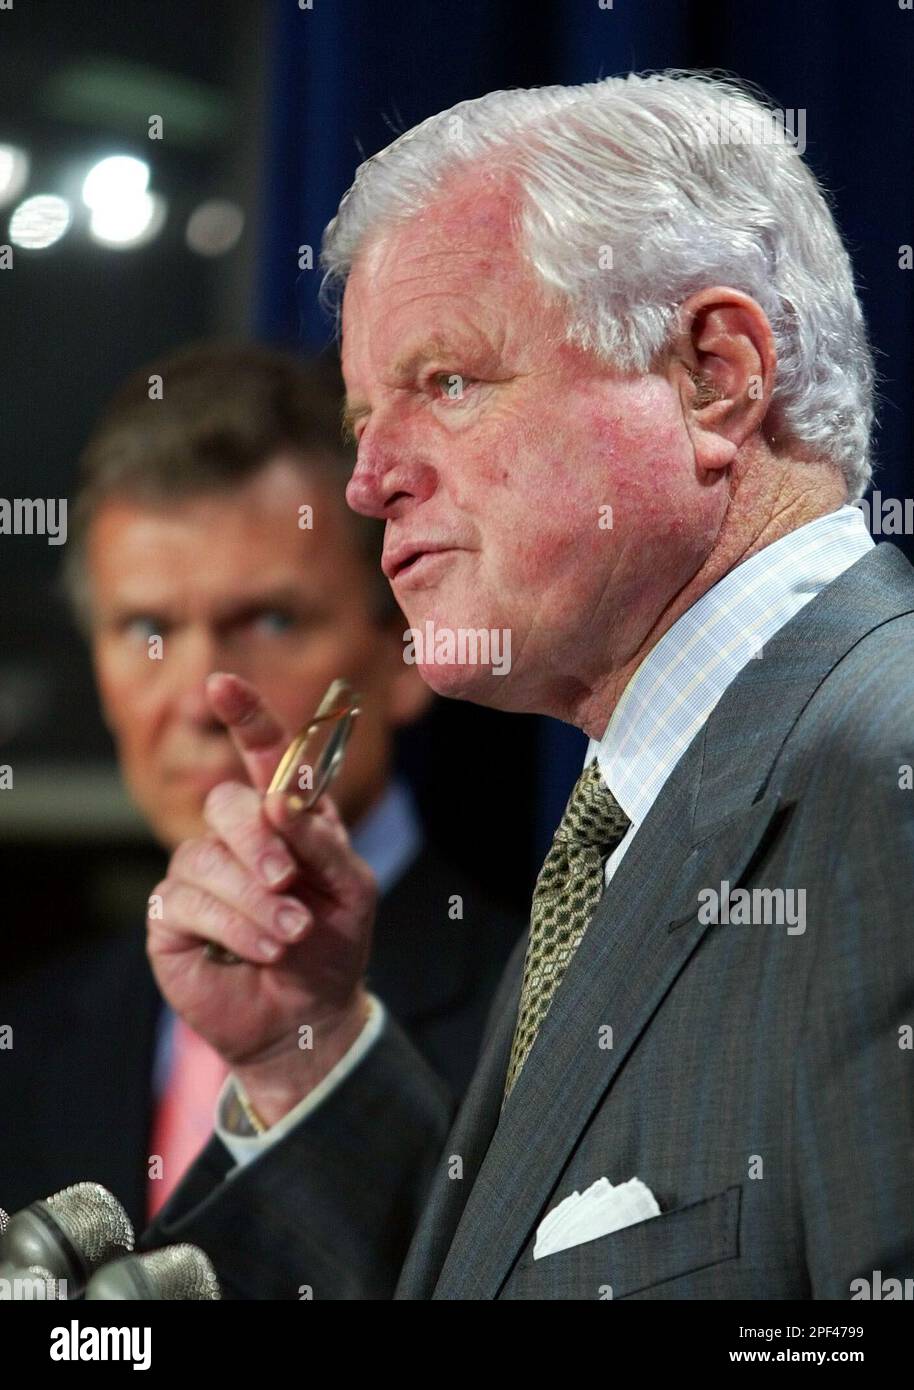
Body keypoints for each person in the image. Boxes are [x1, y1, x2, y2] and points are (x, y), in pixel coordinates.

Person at [140, 72, 913, 1299]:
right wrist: (307, 1049)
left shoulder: (884, 778)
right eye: (360, 419)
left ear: (712, 375)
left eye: (445, 383)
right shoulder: (632, 820)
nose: (368, 479)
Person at [0, 345, 521, 1232]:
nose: (204, 695)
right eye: (146, 628)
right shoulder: (27, 1042)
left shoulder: (543, 1019)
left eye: (271, 620)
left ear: (406, 650)